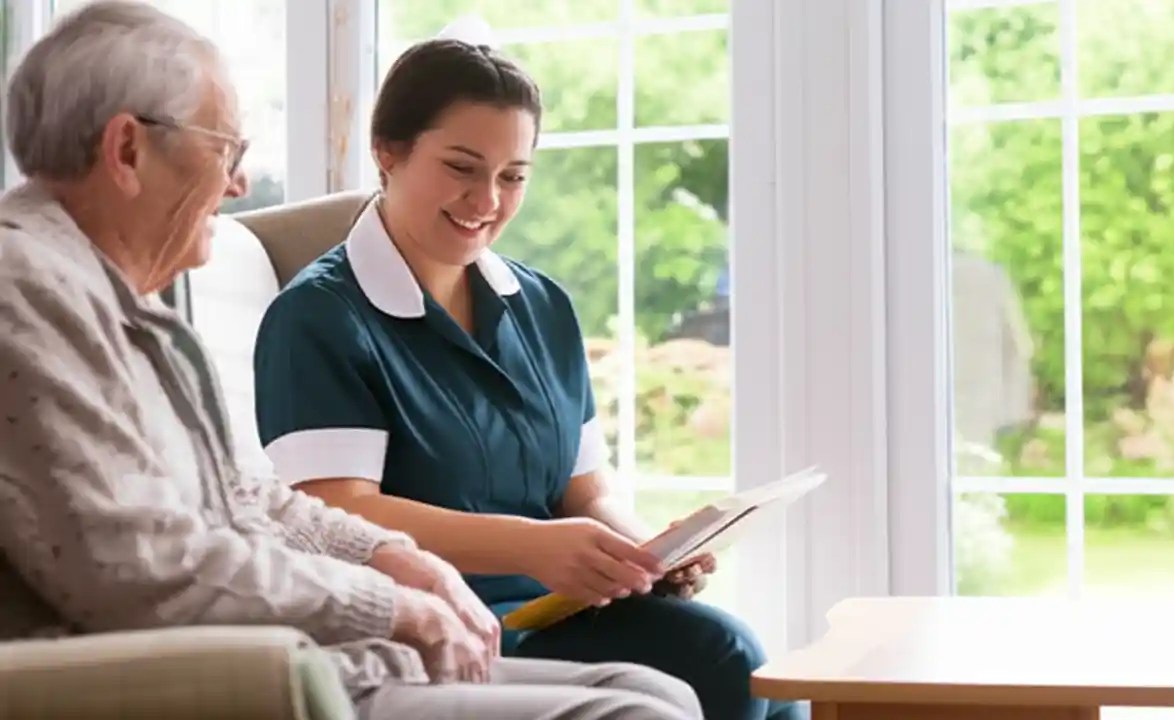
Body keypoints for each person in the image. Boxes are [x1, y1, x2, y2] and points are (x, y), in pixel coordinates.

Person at [0, 3, 702, 719]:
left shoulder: (126, 305)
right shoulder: (25, 289)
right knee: (639, 713)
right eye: (226, 151)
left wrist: (397, 559)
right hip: (201, 677)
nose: (239, 186)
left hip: (310, 656)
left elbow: (252, 499)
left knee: (653, 692)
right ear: (127, 151)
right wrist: (390, 605)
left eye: (513, 175)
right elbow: (138, 566)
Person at [251, 36, 799, 720]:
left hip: (554, 610)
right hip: (429, 622)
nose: (487, 199)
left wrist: (642, 555)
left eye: (514, 176)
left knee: (768, 679)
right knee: (725, 659)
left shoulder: (542, 306)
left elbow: (584, 489)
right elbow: (339, 512)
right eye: (462, 167)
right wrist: (533, 546)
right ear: (386, 151)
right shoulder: (319, 317)